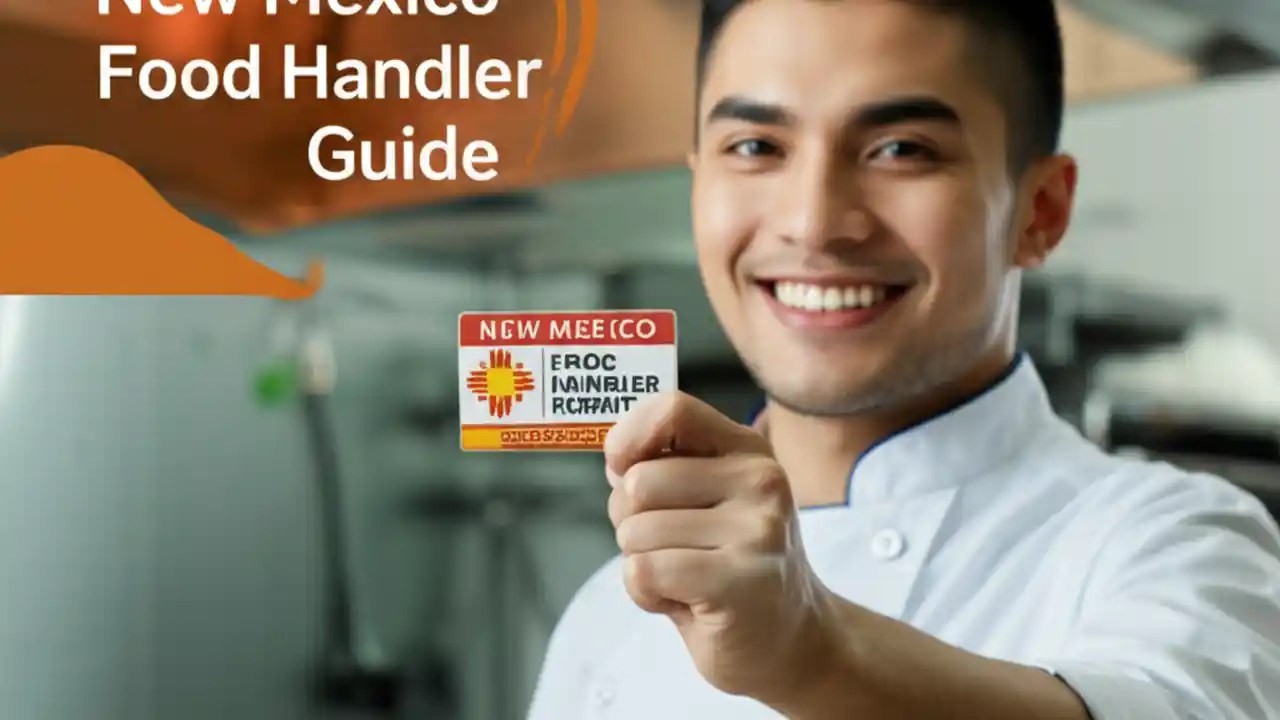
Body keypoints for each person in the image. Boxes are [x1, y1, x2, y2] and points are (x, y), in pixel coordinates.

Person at [527, 1, 1280, 718]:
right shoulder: (610, 612)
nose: (815, 223)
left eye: (901, 150)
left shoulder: (1180, 544)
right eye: (756, 147)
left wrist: (810, 653)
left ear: (1040, 211)